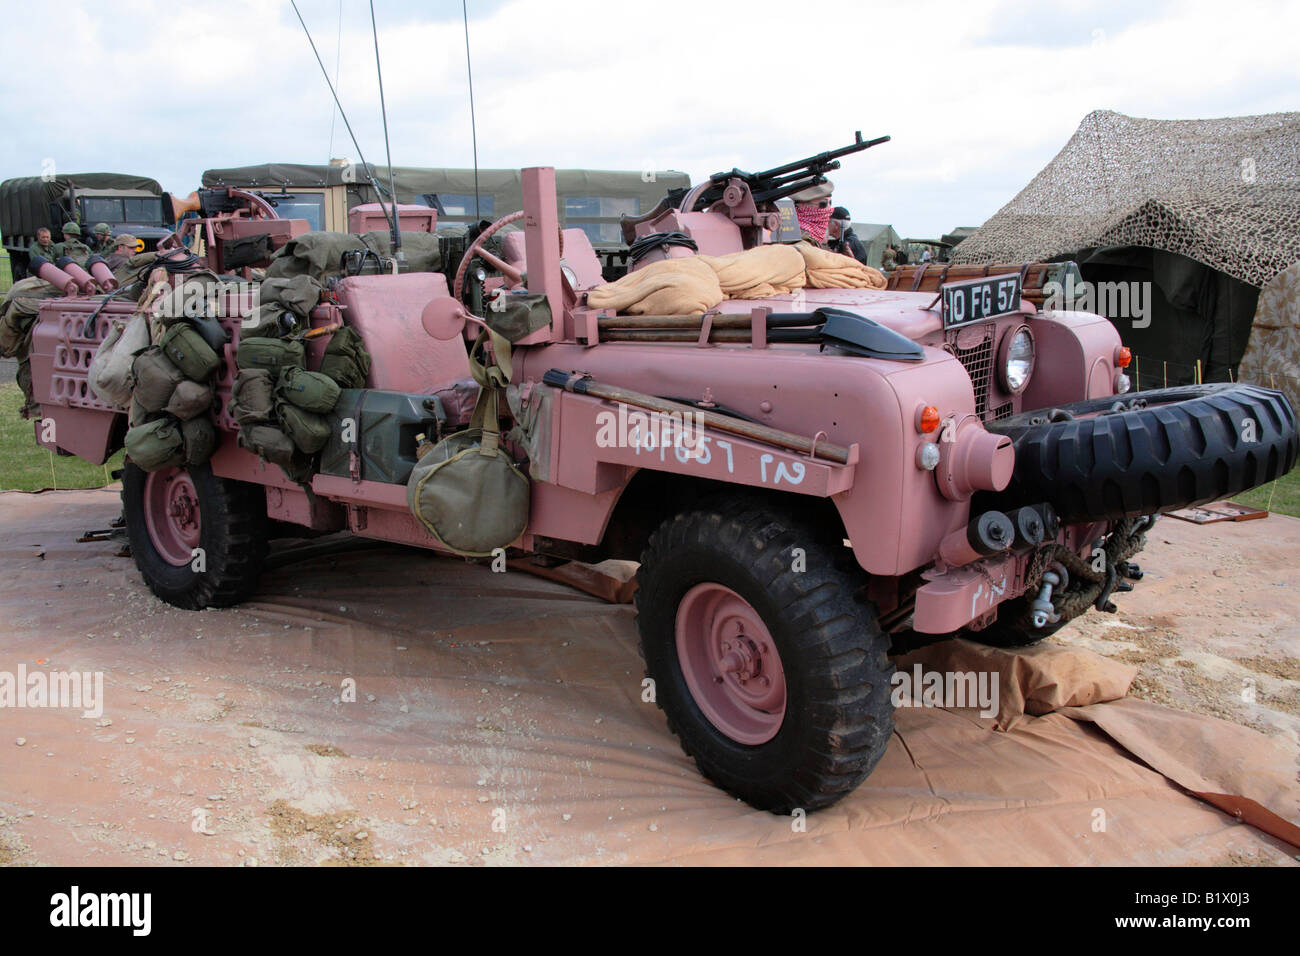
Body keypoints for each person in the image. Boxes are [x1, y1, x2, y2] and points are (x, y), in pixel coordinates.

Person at [789, 180, 835, 246]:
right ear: (802, 205)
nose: (829, 208)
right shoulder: (794, 234)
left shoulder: (817, 234)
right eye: (823, 204)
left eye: (830, 203)